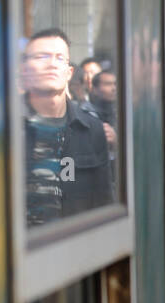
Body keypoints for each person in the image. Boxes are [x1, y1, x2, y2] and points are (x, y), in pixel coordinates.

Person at [21, 29, 114, 223]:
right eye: (42, 57)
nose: (52, 64)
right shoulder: (5, 128)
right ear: (25, 69)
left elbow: (103, 204)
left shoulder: (91, 130)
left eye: (59, 58)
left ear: (69, 72)